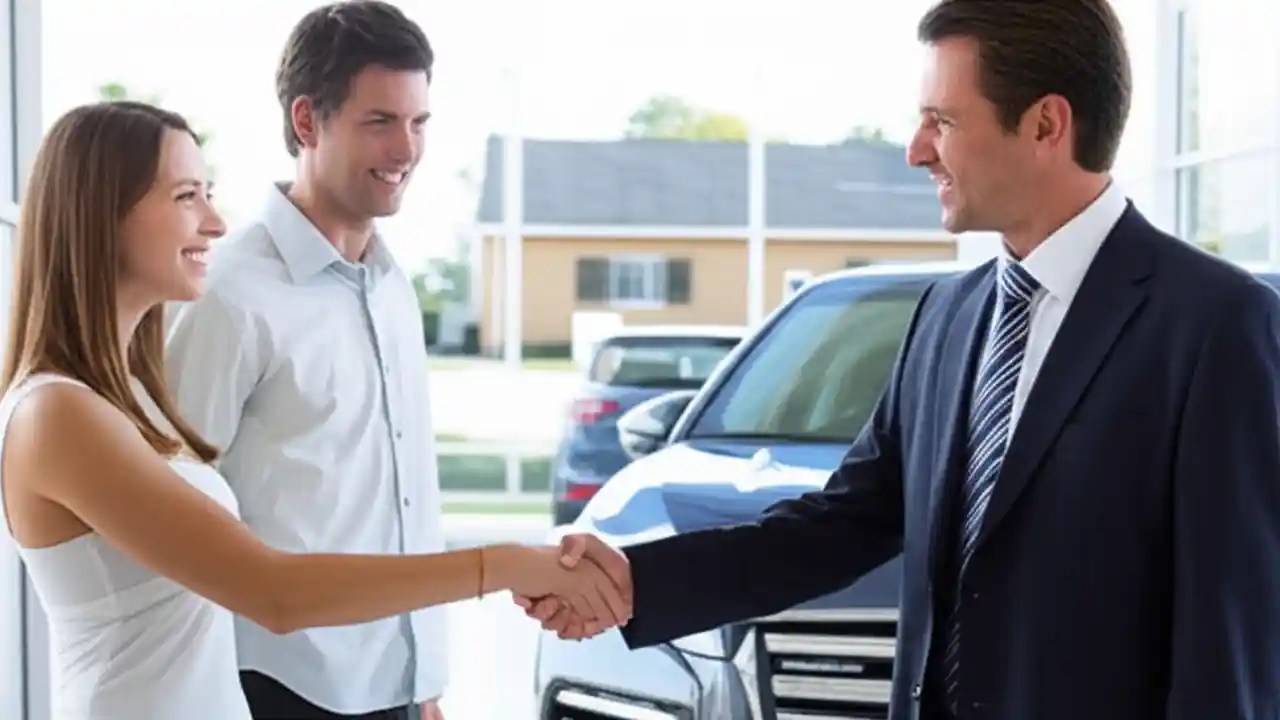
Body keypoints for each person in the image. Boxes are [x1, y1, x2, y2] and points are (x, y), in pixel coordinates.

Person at [518, 0, 1280, 718]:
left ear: (1046, 124)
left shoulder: (1217, 325)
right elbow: (841, 526)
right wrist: (632, 581)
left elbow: (1232, 634)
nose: (917, 151)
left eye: (941, 121)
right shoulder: (947, 318)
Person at [0, 100, 627, 720]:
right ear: (102, 214)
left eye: (207, 192)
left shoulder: (132, 401)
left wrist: (413, 675)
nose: (215, 222)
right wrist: (508, 565)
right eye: (186, 195)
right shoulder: (57, 416)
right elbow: (271, 592)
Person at [161, 3, 474, 718]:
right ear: (307, 122)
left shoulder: (392, 285)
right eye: (380, 122)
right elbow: (172, 517)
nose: (406, 149)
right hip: (276, 688)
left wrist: (423, 681)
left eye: (418, 122)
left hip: (393, 687)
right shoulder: (227, 294)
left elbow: (405, 499)